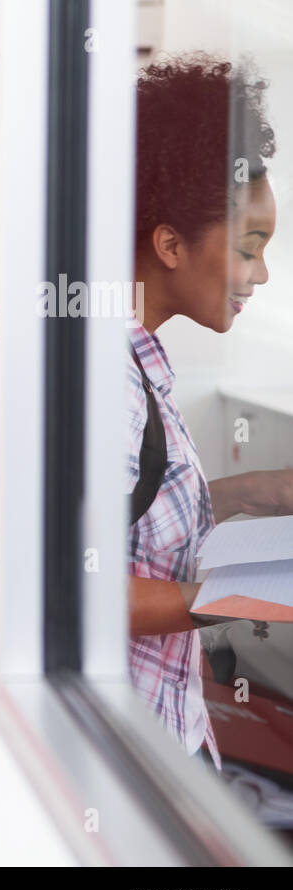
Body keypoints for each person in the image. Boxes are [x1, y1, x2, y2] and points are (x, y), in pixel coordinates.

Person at [125, 53, 292, 769]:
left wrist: (261, 492)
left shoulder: (137, 359)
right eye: (250, 249)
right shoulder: (103, 387)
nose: (260, 274)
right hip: (135, 758)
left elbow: (133, 524)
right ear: (170, 243)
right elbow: (80, 589)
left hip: (170, 723)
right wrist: (256, 593)